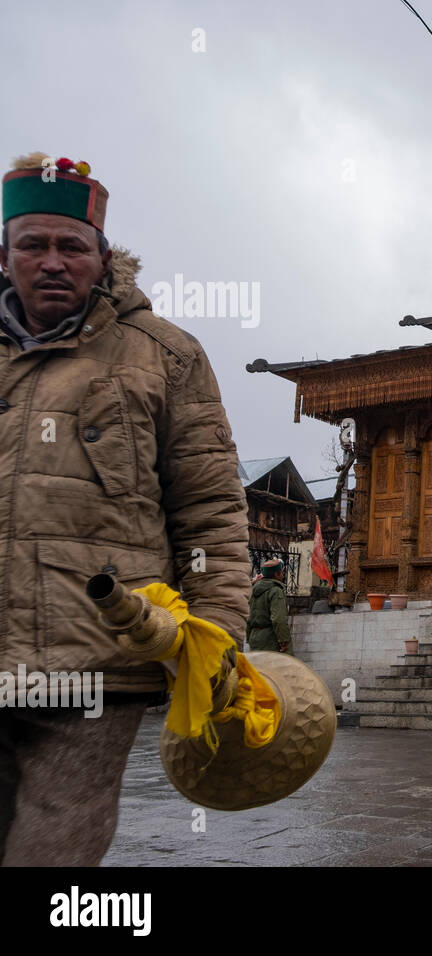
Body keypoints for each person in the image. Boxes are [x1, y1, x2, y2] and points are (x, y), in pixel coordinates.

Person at [0, 152, 250, 866]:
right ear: (4, 252)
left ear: (104, 257)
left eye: (71, 247)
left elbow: (211, 508)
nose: (53, 262)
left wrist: (219, 633)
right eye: (34, 245)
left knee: (56, 841)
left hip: (101, 648)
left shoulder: (164, 356)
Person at [247, 558, 293, 654]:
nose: (282, 574)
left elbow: (248, 616)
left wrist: (249, 637)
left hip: (254, 637)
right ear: (276, 574)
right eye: (281, 572)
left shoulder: (253, 590)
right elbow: (278, 619)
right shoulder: (276, 591)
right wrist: (284, 641)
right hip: (271, 640)